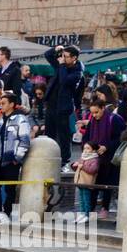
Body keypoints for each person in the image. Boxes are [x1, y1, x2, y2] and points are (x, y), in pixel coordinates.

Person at [78, 98, 124, 219]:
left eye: (96, 112)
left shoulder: (114, 119)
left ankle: (105, 207)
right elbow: (86, 137)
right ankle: (91, 209)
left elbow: (120, 138)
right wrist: (87, 148)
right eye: (92, 113)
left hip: (109, 159)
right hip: (94, 158)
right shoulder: (92, 120)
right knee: (93, 183)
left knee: (107, 184)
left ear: (103, 108)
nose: (94, 115)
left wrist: (106, 147)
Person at [0, 94, 32, 224]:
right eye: (0, 103)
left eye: (3, 103)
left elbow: (25, 140)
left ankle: (6, 213)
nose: (1, 105)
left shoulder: (20, 119)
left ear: (12, 104)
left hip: (11, 159)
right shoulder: (0, 119)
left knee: (10, 189)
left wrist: (17, 158)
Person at [44, 44, 83, 173]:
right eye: (63, 56)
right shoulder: (62, 65)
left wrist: (61, 65)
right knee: (49, 133)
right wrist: (56, 48)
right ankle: (49, 156)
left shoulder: (77, 72)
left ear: (74, 58)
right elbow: (47, 55)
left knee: (63, 135)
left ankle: (65, 161)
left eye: (66, 56)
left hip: (63, 107)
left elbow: (64, 81)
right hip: (51, 104)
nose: (63, 58)